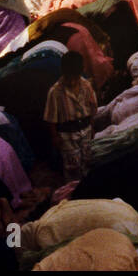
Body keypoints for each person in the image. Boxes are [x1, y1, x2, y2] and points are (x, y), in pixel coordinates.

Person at [43, 50, 97, 181]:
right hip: (67, 134)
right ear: (63, 73)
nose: (72, 82)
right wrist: (55, 137)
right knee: (72, 166)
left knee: (88, 161)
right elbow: (51, 118)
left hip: (85, 129)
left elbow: (92, 108)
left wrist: (92, 127)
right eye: (69, 78)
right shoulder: (55, 92)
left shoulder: (86, 85)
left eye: (75, 78)